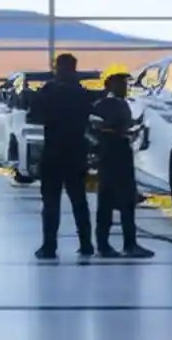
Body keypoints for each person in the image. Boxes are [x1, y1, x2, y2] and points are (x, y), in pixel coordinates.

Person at [31, 53, 95, 259]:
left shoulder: (48, 91)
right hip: (76, 151)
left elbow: (34, 115)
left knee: (51, 203)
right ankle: (86, 244)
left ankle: (49, 246)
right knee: (79, 201)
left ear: (57, 68)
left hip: (53, 152)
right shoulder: (82, 92)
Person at [92, 70, 154, 259]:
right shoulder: (104, 105)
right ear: (110, 85)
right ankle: (109, 244)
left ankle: (126, 243)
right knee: (110, 202)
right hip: (111, 156)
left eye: (125, 84)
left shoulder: (121, 104)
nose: (125, 87)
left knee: (125, 202)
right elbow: (97, 128)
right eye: (120, 83)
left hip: (120, 155)